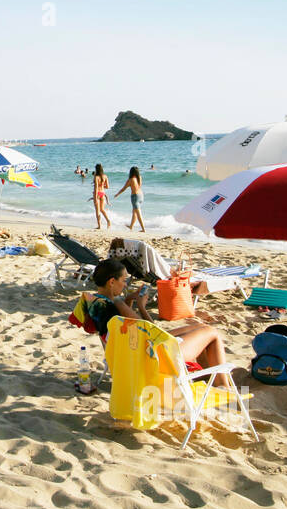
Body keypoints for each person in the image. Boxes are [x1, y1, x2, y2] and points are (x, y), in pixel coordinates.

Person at [83, 260, 230, 385]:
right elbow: (151, 330)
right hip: (151, 359)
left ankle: (207, 379)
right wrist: (142, 306)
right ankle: (223, 386)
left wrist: (129, 300)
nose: (126, 285)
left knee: (200, 327)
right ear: (112, 282)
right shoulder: (117, 303)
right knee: (212, 332)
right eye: (123, 280)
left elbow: (122, 325)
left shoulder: (94, 301)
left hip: (128, 357)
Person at [115, 166, 145, 232]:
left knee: (138, 213)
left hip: (135, 197)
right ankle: (131, 226)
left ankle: (143, 229)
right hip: (141, 196)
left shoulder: (131, 180)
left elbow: (123, 189)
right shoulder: (139, 178)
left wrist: (117, 194)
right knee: (134, 212)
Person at [92, 163, 111, 229]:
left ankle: (99, 226)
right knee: (102, 209)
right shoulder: (105, 176)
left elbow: (96, 188)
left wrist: (95, 196)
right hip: (102, 193)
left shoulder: (96, 177)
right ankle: (108, 220)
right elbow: (107, 186)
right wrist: (102, 186)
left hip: (97, 193)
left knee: (97, 210)